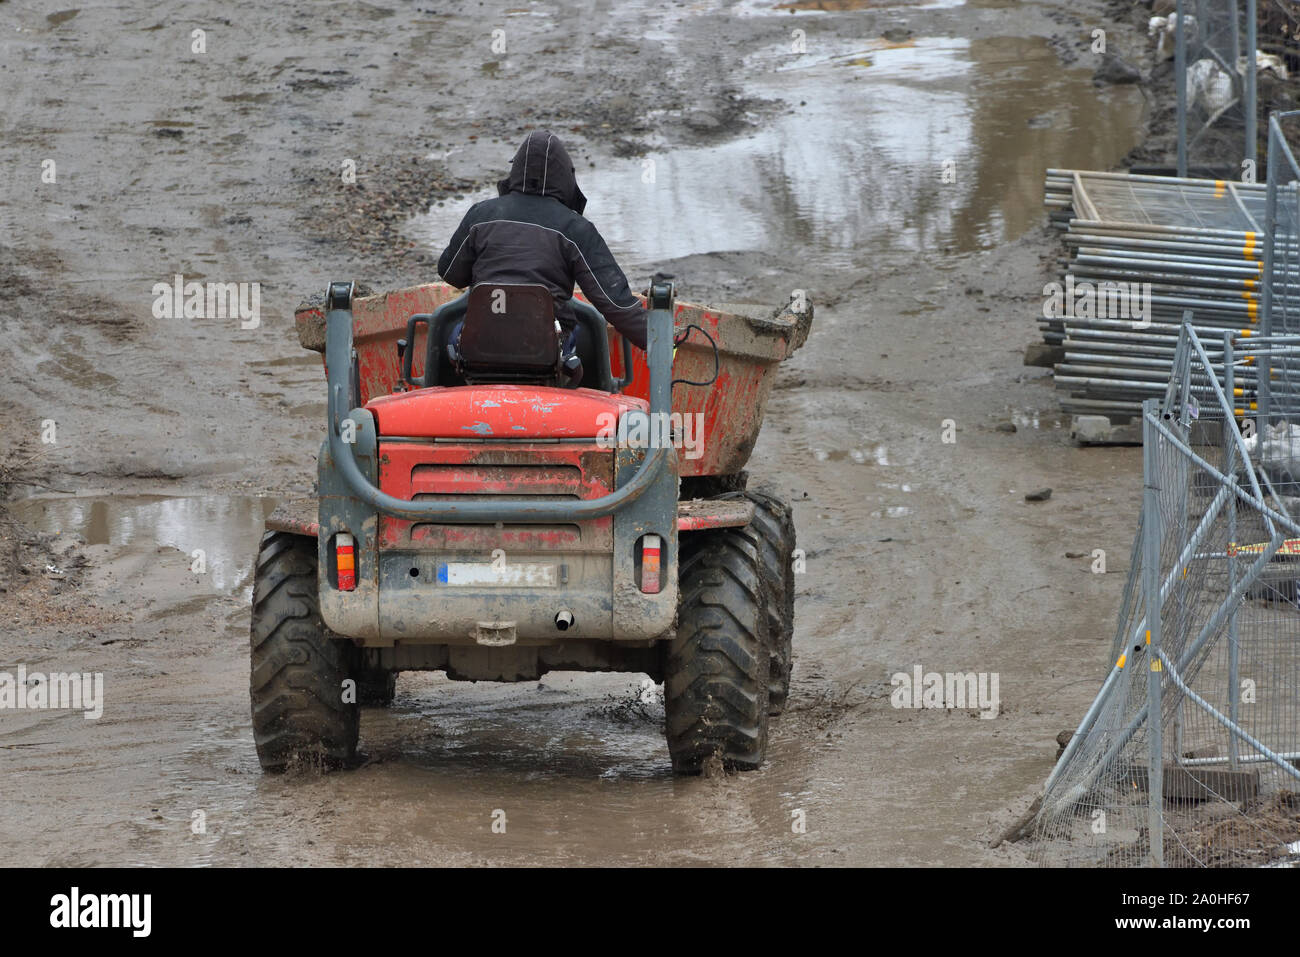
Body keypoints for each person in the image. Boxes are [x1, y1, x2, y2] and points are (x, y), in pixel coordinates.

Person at [437, 129, 647, 353]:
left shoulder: (480, 215)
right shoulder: (575, 229)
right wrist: (661, 341)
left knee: (450, 331)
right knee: (586, 333)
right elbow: (615, 304)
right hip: (546, 351)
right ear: (567, 176)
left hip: (480, 343)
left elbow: (450, 273)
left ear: (515, 170)